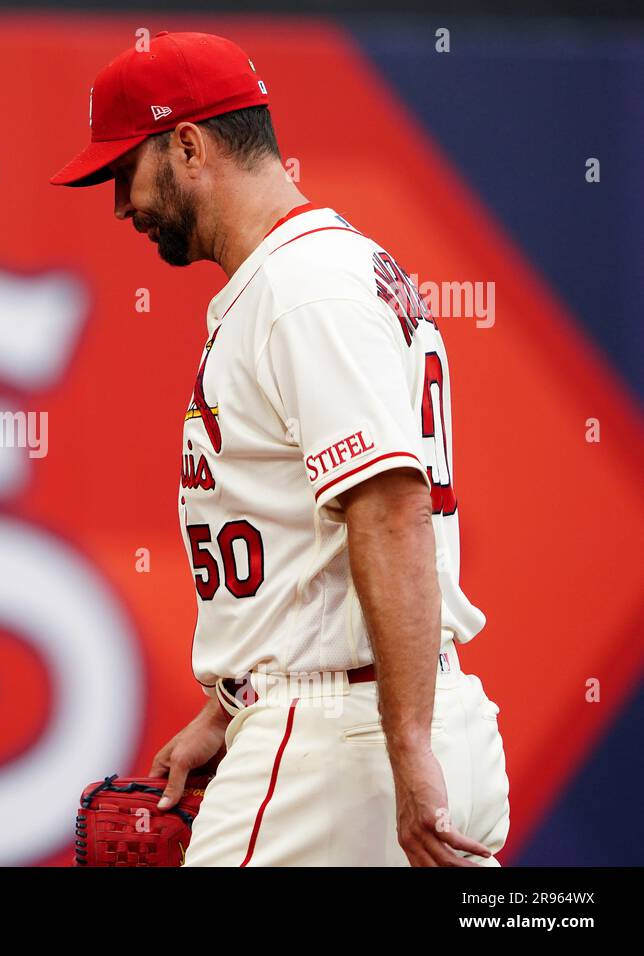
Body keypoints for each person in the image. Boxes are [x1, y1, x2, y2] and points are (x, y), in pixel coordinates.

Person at [51, 31, 509, 866]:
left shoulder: (306, 290)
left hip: (340, 745)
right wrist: (227, 712)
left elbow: (390, 509)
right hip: (386, 716)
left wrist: (405, 751)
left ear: (187, 144)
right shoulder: (323, 274)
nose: (120, 204)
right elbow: (315, 537)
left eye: (125, 170)